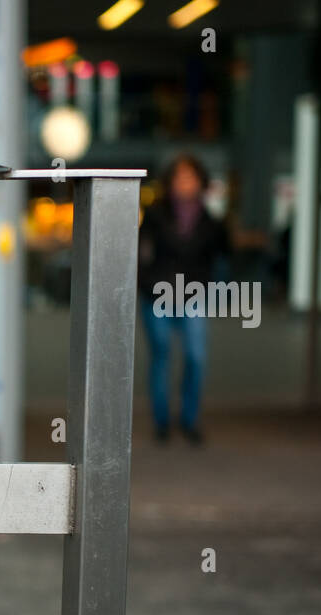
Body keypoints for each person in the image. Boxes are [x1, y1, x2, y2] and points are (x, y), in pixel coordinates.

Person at [138, 154, 228, 444]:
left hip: (193, 295)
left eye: (190, 177)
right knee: (161, 355)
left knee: (196, 357)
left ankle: (189, 420)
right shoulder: (155, 214)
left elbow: (221, 258)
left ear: (200, 182)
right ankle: (162, 422)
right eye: (179, 177)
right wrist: (147, 284)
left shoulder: (210, 221)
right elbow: (139, 253)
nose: (185, 183)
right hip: (157, 295)